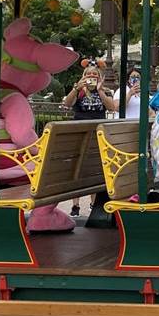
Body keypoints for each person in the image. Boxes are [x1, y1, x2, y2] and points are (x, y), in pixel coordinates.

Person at [63, 63, 118, 216]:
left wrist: (100, 91)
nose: (92, 77)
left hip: (96, 133)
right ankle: (75, 205)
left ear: (100, 78)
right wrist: (76, 88)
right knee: (77, 169)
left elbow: (112, 107)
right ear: (83, 76)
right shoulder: (79, 91)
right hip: (80, 132)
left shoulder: (104, 91)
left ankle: (93, 204)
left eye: (95, 75)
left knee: (93, 169)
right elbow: (67, 104)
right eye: (89, 74)